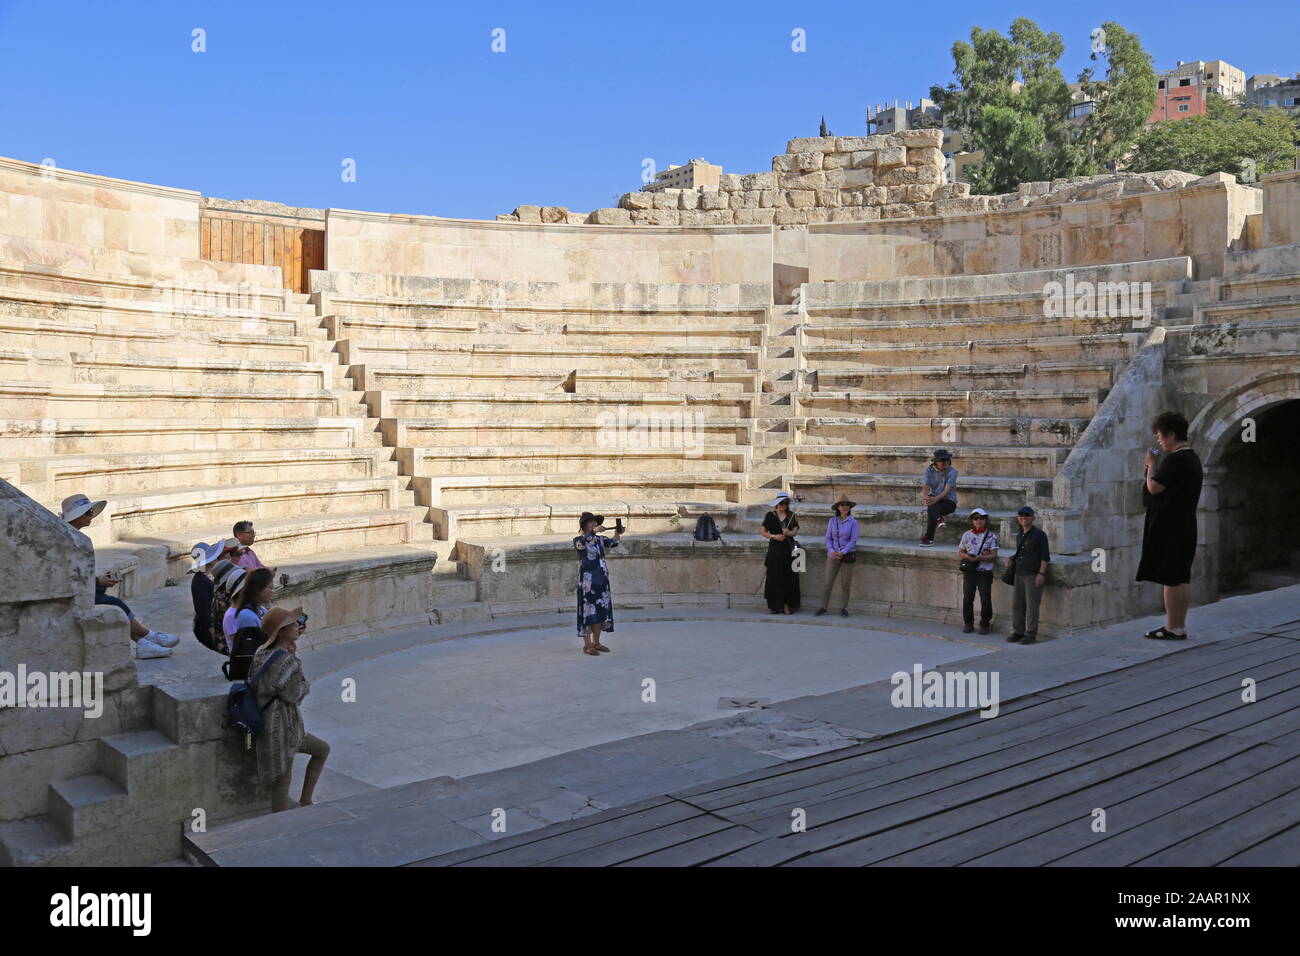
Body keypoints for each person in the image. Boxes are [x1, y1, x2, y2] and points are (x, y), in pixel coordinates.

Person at [60, 494, 178, 659]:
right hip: (68, 595)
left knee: (103, 595)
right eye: (88, 512)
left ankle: (144, 643)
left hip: (77, 589)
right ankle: (148, 636)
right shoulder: (66, 540)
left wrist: (100, 580)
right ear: (77, 516)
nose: (92, 516)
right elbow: (68, 576)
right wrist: (97, 580)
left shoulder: (74, 537)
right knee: (114, 603)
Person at [248, 606, 329, 812]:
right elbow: (295, 695)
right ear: (281, 631)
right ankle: (285, 823)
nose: (297, 626)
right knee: (282, 782)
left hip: (265, 721)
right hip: (284, 728)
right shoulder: (289, 661)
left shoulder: (260, 652)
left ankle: (305, 802)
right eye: (292, 623)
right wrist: (304, 682)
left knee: (321, 749)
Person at [1137, 411, 1204, 641]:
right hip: (1186, 524)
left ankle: (1173, 627)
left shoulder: (1176, 459)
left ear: (1171, 434)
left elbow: (1154, 488)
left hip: (1171, 526)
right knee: (1181, 577)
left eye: (1160, 436)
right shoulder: (1192, 458)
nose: (1158, 441)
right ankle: (1180, 625)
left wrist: (1151, 465)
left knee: (1170, 579)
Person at [573, 512, 623, 656]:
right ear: (584, 525)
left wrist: (617, 533)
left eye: (595, 522)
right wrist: (592, 533)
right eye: (591, 522)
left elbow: (613, 542)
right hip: (587, 583)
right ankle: (587, 645)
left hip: (601, 580)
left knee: (600, 611)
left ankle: (596, 642)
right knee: (588, 612)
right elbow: (581, 544)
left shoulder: (600, 539)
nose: (594, 524)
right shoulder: (578, 539)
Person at [1006, 506, 1050, 644]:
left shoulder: (1039, 535)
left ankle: (1031, 633)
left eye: (1026, 515)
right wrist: (1011, 557)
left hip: (1032, 574)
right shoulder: (1020, 534)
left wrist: (1041, 573)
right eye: (1021, 515)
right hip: (1019, 572)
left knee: (1032, 605)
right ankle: (1018, 631)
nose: (1023, 517)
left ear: (1033, 518)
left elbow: (1045, 556)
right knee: (1017, 604)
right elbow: (1022, 552)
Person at [958, 508, 998, 634]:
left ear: (985, 520)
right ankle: (968, 623)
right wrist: (968, 557)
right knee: (968, 598)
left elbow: (993, 555)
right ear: (972, 521)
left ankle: (985, 623)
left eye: (981, 518)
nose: (979, 521)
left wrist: (980, 558)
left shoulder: (991, 536)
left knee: (985, 598)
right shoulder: (967, 535)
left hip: (984, 571)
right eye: (976, 518)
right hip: (970, 571)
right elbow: (960, 552)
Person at [816, 497, 858, 618]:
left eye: (846, 505)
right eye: (842, 505)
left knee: (845, 584)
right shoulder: (832, 521)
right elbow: (828, 538)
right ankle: (823, 606)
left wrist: (843, 552)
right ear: (838, 508)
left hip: (847, 555)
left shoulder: (853, 522)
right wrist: (832, 550)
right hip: (833, 555)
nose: (844, 507)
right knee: (827, 583)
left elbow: (853, 540)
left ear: (849, 507)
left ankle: (843, 607)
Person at [761, 494, 801, 614]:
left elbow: (795, 531)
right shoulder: (770, 515)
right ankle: (776, 606)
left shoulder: (791, 515)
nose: (784, 505)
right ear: (776, 503)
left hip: (789, 550)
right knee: (775, 577)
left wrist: (788, 533)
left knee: (789, 578)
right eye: (782, 503)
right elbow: (763, 532)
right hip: (775, 549)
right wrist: (774, 536)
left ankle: (788, 604)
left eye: (786, 503)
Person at [189, 540, 231, 650]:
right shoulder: (200, 581)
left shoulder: (211, 575)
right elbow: (202, 609)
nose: (216, 557)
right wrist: (211, 630)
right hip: (211, 628)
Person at [227, 566, 273, 650]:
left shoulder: (260, 609)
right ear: (258, 589)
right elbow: (254, 649)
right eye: (270, 588)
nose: (272, 592)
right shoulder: (246, 616)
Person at [920, 449, 958, 546]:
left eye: (947, 460)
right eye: (942, 460)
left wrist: (934, 499)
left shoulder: (953, 471)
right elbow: (926, 486)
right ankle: (938, 520)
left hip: (949, 502)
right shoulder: (929, 470)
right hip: (935, 501)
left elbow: (947, 490)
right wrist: (925, 497)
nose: (945, 462)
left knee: (931, 507)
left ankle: (928, 537)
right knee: (932, 505)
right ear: (936, 462)